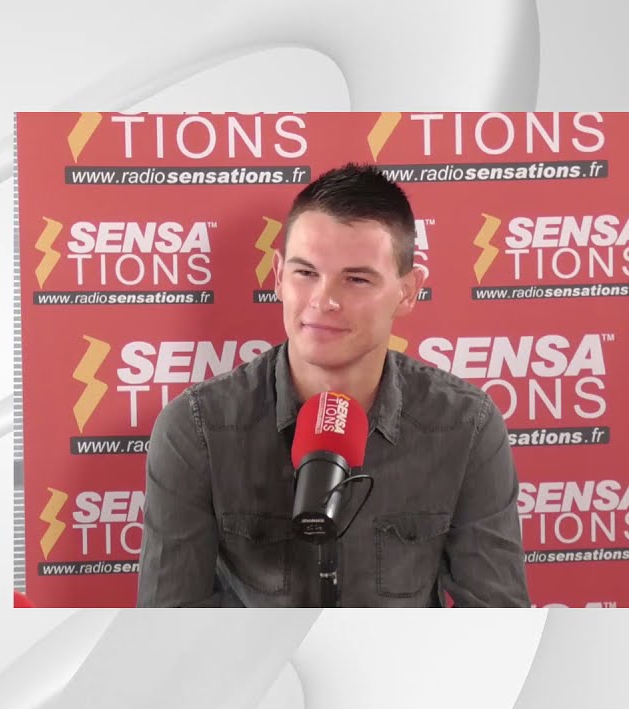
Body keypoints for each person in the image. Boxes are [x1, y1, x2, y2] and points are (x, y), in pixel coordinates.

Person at [137, 163, 529, 608]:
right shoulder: (197, 428)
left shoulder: (465, 425)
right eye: (306, 273)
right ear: (278, 275)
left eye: (357, 279)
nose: (324, 300)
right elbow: (167, 629)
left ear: (407, 291)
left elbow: (499, 622)